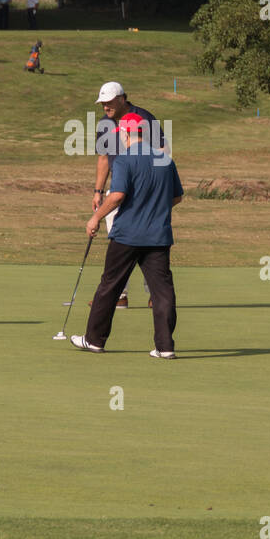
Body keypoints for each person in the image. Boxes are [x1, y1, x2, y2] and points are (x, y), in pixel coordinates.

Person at [72, 113, 183, 358]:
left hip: (127, 235)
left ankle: (94, 340)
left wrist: (95, 218)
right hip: (158, 236)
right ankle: (165, 347)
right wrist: (155, 210)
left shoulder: (123, 160)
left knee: (110, 286)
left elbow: (117, 195)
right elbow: (176, 197)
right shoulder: (165, 159)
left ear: (125, 134)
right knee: (162, 291)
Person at [92, 81, 164, 308]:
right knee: (117, 239)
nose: (106, 108)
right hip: (118, 188)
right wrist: (98, 190)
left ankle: (156, 293)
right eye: (103, 104)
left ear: (122, 98)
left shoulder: (144, 118)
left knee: (146, 241)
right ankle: (118, 294)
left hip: (145, 190)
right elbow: (103, 158)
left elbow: (163, 151)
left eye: (110, 103)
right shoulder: (105, 124)